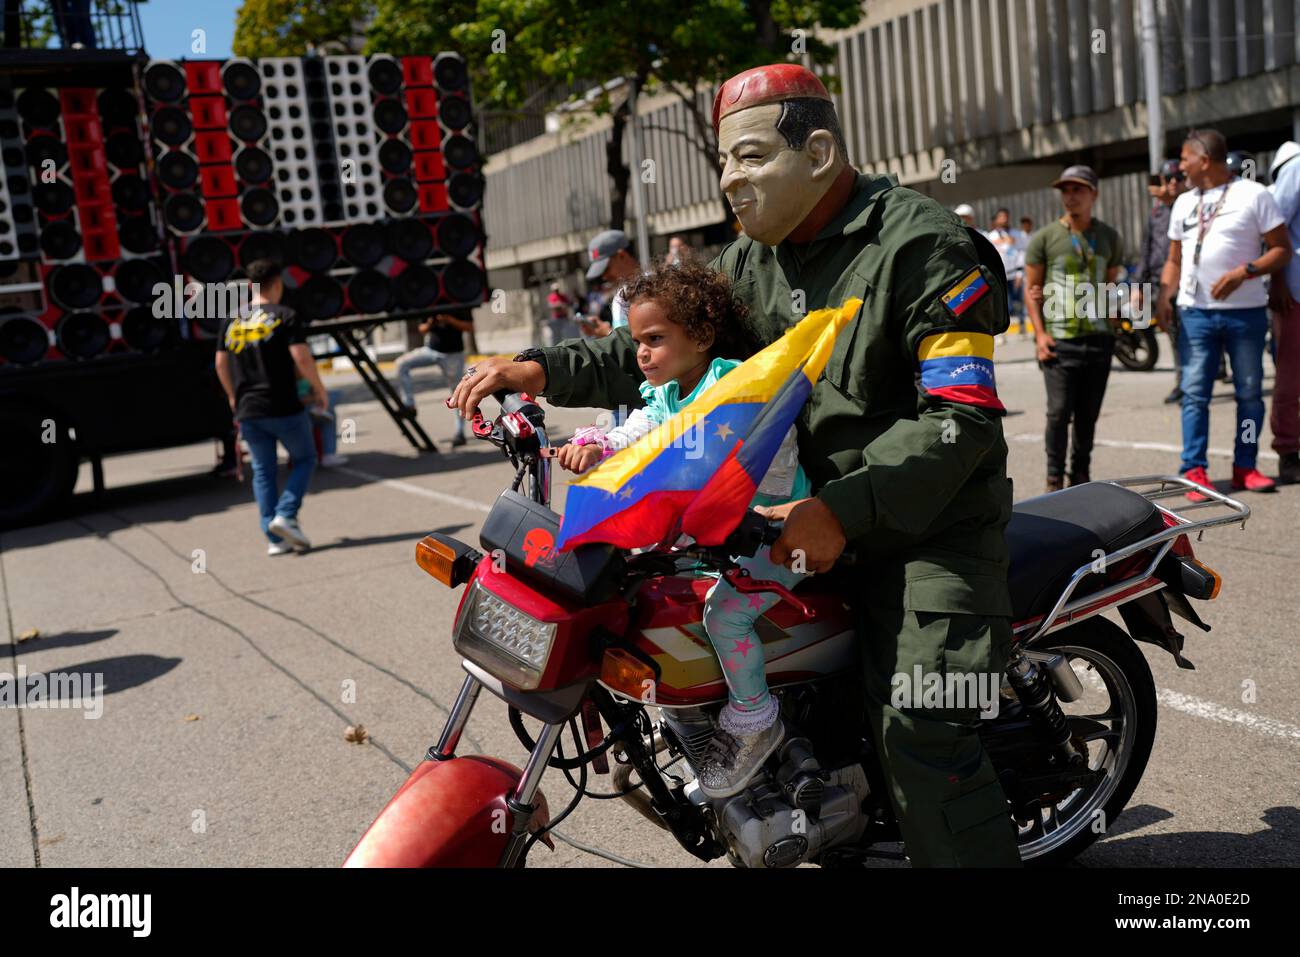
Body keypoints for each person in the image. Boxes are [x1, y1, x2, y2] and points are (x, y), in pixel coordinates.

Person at [454, 63, 1022, 867]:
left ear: (819, 152)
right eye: (723, 162)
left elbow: (960, 422)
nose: (730, 181)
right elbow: (658, 342)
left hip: (920, 532)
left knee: (919, 727)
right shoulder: (756, 262)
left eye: (750, 158)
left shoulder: (922, 246)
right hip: (780, 519)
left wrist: (844, 511)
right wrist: (539, 369)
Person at [556, 263, 804, 796]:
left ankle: (755, 715)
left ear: (700, 336)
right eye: (636, 340)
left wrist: (729, 493)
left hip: (777, 529)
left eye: (655, 339)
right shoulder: (666, 394)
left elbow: (770, 454)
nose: (642, 352)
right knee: (656, 598)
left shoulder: (732, 384)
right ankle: (697, 718)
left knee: (726, 615)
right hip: (716, 531)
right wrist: (599, 444)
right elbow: (640, 431)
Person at [1156, 129, 1292, 498]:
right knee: (1195, 394)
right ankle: (1194, 469)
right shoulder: (1183, 202)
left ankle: (1245, 466)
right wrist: (1164, 297)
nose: (1179, 166)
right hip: (1196, 314)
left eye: (1184, 159)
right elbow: (1174, 258)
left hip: (1244, 313)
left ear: (1204, 160)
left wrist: (1243, 272)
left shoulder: (1254, 194)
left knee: (1249, 394)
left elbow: (1281, 249)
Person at [214, 259, 326, 555]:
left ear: (250, 286)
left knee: (263, 471)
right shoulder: (285, 315)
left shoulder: (232, 319)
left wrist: (231, 395)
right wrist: (319, 388)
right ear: (277, 284)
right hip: (283, 405)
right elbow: (301, 356)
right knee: (304, 459)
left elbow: (220, 363)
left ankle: (274, 539)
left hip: (248, 408)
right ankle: (286, 515)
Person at [1024, 165, 1125, 492]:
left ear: (1093, 194)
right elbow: (1032, 289)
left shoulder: (1109, 236)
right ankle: (1054, 478)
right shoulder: (1044, 237)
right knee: (1058, 413)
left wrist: (1116, 324)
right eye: (1065, 190)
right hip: (1059, 340)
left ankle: (1080, 474)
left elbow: (1111, 284)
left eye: (1078, 189)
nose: (1070, 196)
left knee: (1088, 415)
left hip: (1099, 340)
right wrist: (1040, 334)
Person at [1137, 159, 1188, 404]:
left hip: (1189, 283)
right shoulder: (1156, 213)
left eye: (1178, 178)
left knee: (1195, 333)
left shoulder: (1192, 207)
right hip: (1162, 284)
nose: (1173, 183)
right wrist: (1139, 285)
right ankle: (1183, 383)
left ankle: (1206, 374)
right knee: (1175, 334)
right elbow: (1146, 250)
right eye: (1168, 179)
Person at [1266, 140, 1300, 484]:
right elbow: (1273, 228)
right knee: (1291, 377)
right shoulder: (1297, 167)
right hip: (1296, 293)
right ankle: (1289, 452)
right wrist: (1277, 281)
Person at [393, 309, 473, 446]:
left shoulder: (457, 302)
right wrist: (431, 323)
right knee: (402, 364)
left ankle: (460, 433)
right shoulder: (430, 301)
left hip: (453, 355)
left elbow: (469, 327)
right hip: (431, 350)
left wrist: (449, 320)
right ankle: (409, 405)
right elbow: (422, 329)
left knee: (457, 393)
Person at [585, 229, 639, 330]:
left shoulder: (657, 287)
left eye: (606, 269)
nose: (604, 277)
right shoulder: (621, 296)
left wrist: (607, 333)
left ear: (622, 256)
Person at [984, 208, 1023, 328]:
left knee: (1019, 302)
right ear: (996, 220)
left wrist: (1020, 273)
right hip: (1000, 275)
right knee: (1004, 303)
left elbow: (1021, 253)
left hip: (1014, 274)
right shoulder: (990, 237)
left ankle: (1022, 327)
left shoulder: (1016, 234)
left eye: (1006, 216)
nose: (1004, 219)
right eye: (1001, 217)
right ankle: (1003, 329)